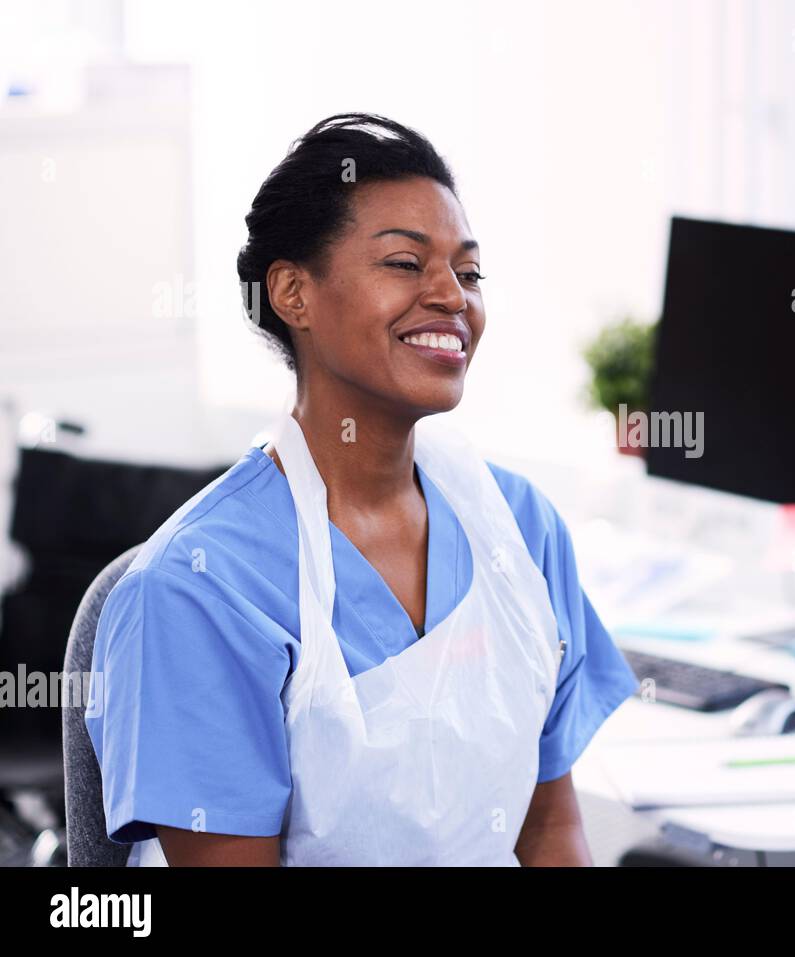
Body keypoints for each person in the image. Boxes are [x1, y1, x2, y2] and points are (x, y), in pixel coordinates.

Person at [87, 114, 638, 866]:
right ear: (293, 293)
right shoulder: (197, 587)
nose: (453, 296)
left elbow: (547, 827)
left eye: (469, 273)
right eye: (406, 264)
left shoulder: (520, 527)